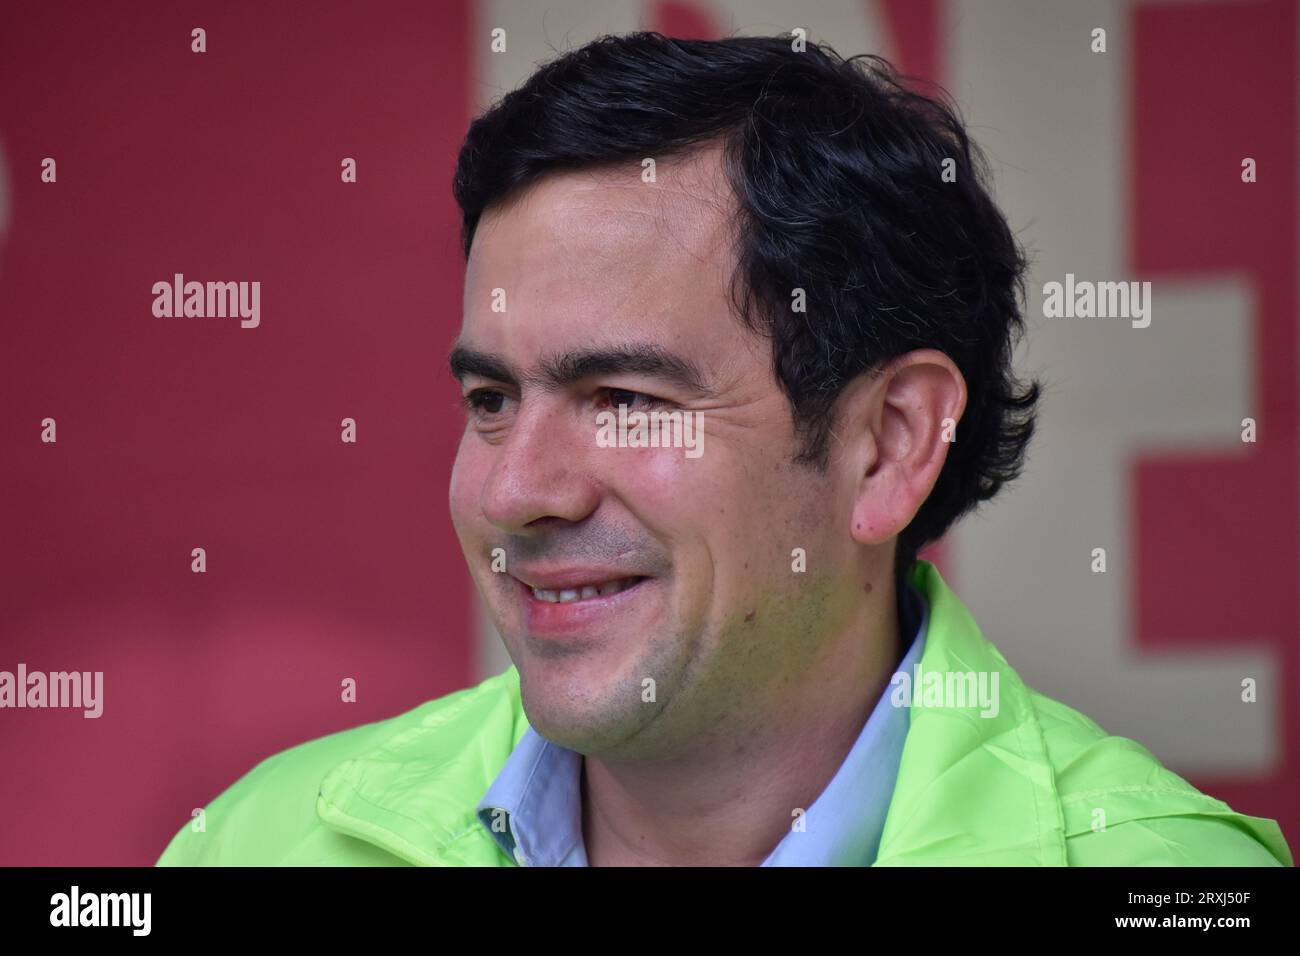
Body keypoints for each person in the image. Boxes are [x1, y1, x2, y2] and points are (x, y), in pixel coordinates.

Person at [156, 32, 1291, 867]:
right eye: (492, 397)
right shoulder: (258, 842)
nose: (515, 488)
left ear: (886, 446)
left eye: (624, 395)